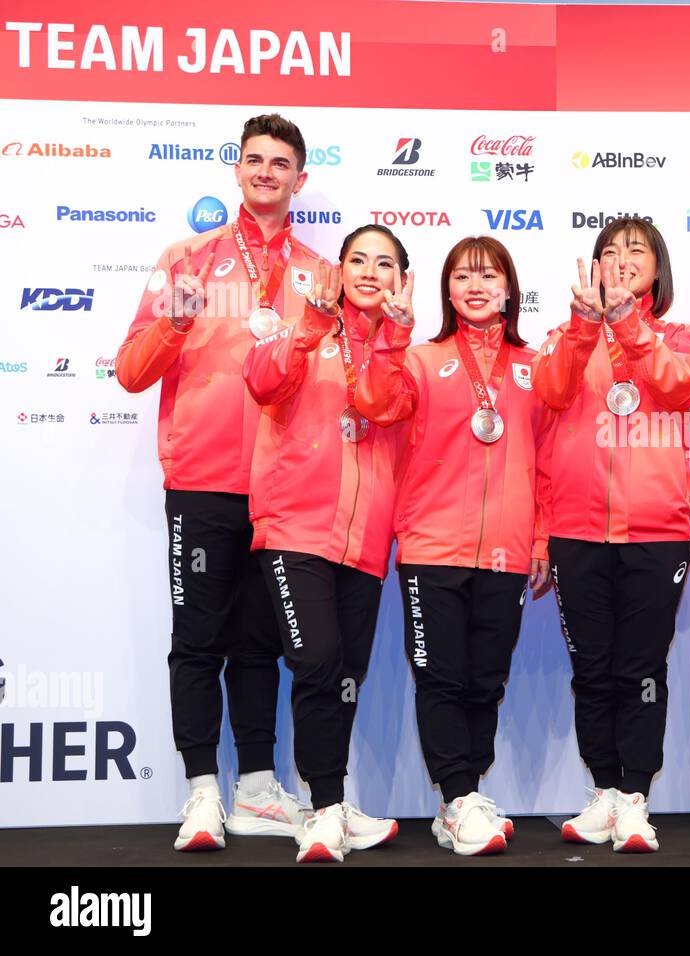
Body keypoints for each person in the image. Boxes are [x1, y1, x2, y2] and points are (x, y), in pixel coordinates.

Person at [117, 113, 321, 851]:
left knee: (261, 642)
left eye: (281, 162)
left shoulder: (319, 276)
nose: (266, 171)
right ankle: (202, 792)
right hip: (202, 484)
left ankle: (258, 787)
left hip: (283, 489)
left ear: (301, 178)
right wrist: (171, 325)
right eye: (254, 159)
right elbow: (131, 373)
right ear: (236, 170)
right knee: (198, 639)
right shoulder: (187, 258)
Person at [354, 236, 552, 857]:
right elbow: (376, 404)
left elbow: (544, 461)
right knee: (439, 678)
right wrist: (391, 332)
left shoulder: (536, 366)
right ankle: (461, 792)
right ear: (445, 289)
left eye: (488, 275)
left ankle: (456, 801)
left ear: (509, 289)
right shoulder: (418, 357)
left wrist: (541, 536)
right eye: (463, 276)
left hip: (507, 548)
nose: (476, 286)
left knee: (485, 679)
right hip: (431, 544)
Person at [531, 218, 690, 853]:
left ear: (658, 268)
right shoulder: (564, 337)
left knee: (642, 668)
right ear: (593, 267)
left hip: (656, 533)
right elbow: (547, 400)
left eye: (637, 251)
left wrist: (629, 325)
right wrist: (585, 328)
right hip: (577, 531)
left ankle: (636, 798)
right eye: (609, 251)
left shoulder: (681, 336)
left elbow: (681, 386)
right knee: (592, 670)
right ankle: (603, 790)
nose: (622, 259)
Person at [242, 224, 412, 862]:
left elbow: (381, 403)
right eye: (358, 260)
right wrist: (313, 321)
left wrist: (391, 339)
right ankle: (322, 810)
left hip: (365, 542)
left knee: (345, 674)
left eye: (385, 263)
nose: (371, 271)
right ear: (337, 271)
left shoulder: (404, 352)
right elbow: (260, 380)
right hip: (295, 531)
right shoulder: (301, 328)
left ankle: (333, 806)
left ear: (402, 279)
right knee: (315, 664)